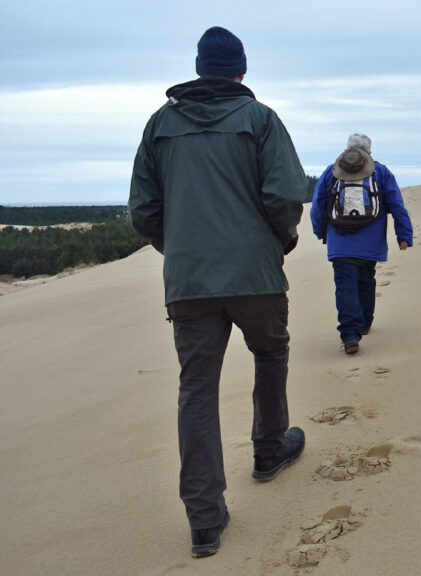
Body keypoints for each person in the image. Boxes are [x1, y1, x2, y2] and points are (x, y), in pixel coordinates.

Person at [128, 26, 308, 558]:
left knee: (197, 389)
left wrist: (181, 249)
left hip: (189, 283)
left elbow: (143, 211)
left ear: (201, 67)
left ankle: (204, 521)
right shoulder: (261, 119)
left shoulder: (159, 125)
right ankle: (269, 452)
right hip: (255, 274)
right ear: (241, 71)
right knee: (270, 353)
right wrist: (277, 240)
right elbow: (284, 194)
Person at [310, 134, 414, 354]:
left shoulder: (332, 171)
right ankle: (365, 323)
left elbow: (318, 205)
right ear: (369, 151)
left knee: (345, 286)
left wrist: (320, 230)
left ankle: (349, 335)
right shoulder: (381, 171)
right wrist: (403, 235)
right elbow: (396, 204)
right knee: (366, 280)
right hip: (370, 242)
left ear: (347, 149)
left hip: (339, 241)